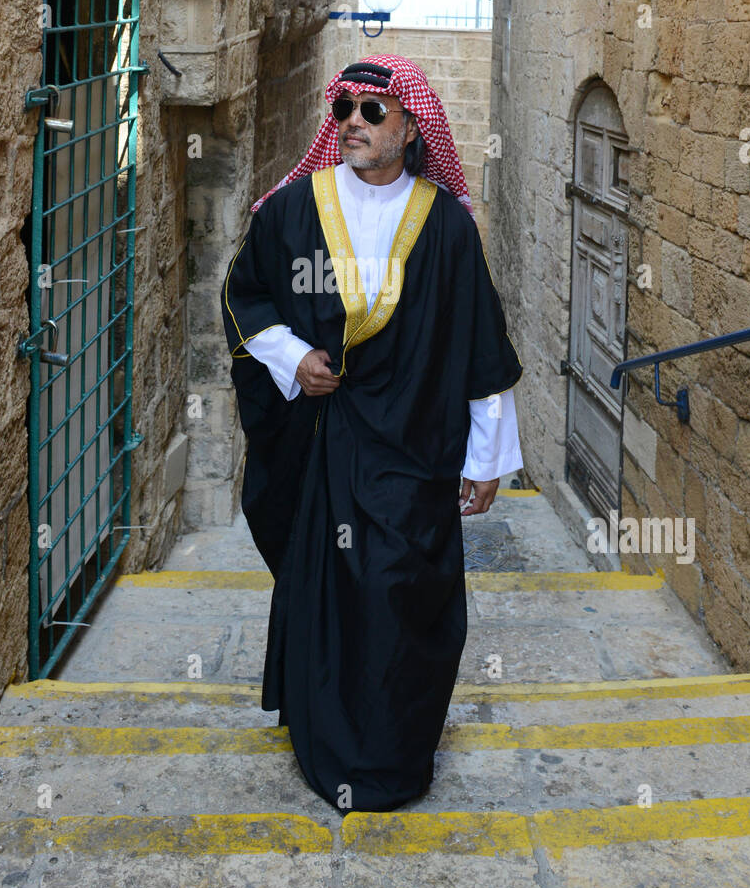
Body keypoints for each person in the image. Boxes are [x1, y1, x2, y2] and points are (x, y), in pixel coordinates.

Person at [220, 55, 523, 813]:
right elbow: (246, 295)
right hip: (320, 441)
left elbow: (480, 344)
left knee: (399, 593)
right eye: (343, 109)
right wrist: (295, 358)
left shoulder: (447, 228)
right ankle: (328, 745)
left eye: (372, 110)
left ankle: (392, 755)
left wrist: (486, 459)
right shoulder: (293, 213)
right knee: (328, 591)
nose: (352, 121)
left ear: (411, 127)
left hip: (414, 450)